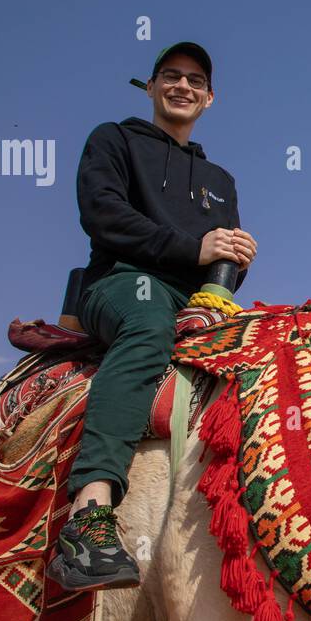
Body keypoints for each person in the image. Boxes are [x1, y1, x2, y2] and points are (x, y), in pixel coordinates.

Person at [46, 41, 257, 592]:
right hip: (122, 282)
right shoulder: (112, 139)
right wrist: (194, 247)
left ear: (210, 98)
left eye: (195, 80)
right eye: (171, 75)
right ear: (151, 86)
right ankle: (88, 518)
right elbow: (103, 216)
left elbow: (217, 257)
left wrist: (234, 258)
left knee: (284, 347)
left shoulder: (221, 180)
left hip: (198, 299)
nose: (183, 86)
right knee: (147, 328)